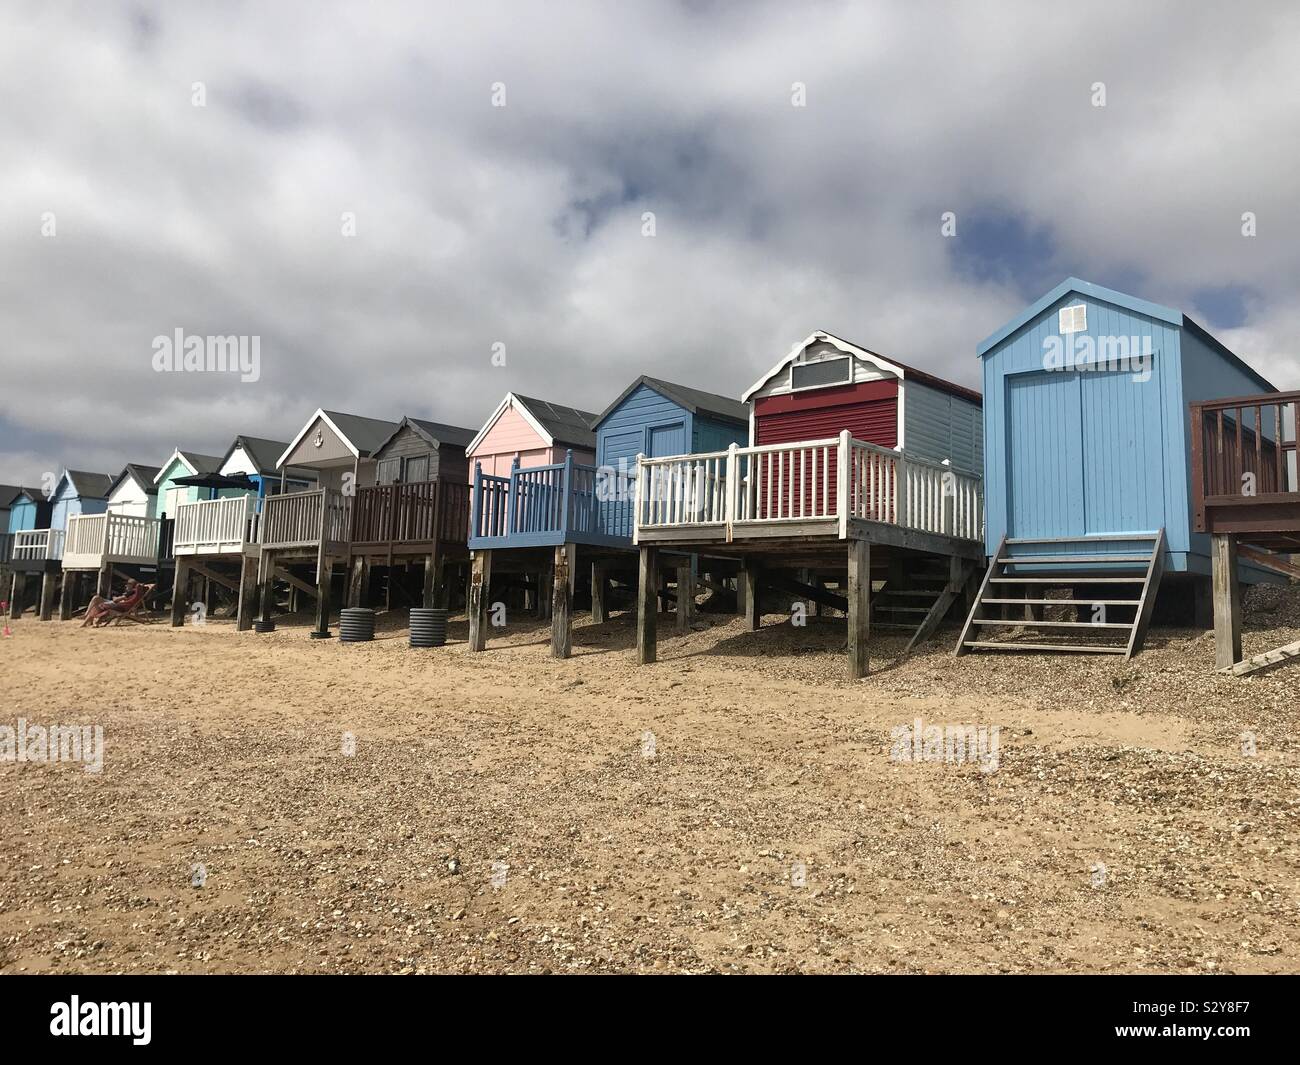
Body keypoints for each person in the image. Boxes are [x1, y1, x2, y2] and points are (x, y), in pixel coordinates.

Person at [81, 579, 153, 627]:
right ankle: (88, 620)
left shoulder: (131, 592)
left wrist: (115, 598)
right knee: (97, 601)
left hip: (119, 605)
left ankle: (86, 619)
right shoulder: (133, 593)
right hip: (121, 605)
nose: (126, 585)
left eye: (128, 584)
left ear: (132, 585)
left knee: (98, 603)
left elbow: (118, 600)